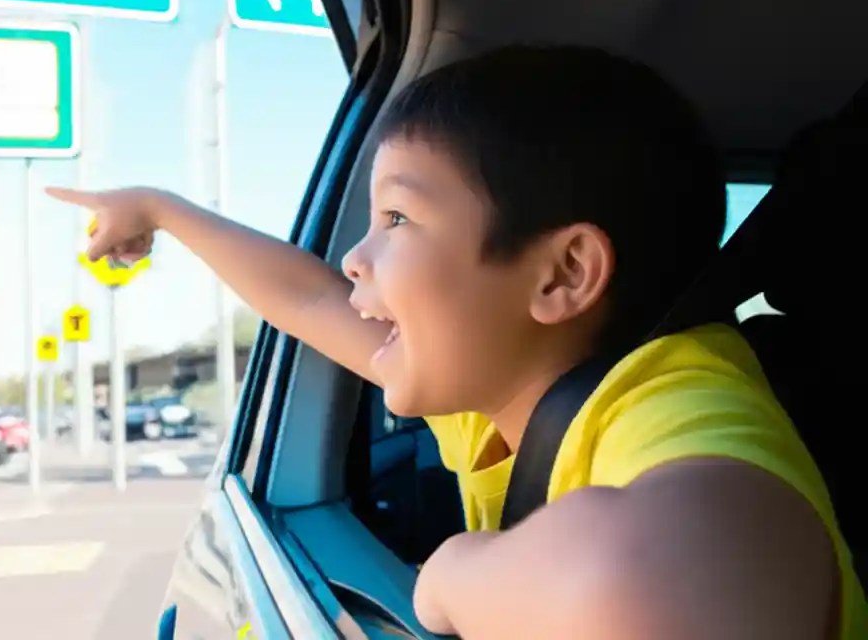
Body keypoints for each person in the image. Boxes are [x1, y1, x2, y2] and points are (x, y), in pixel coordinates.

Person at [47, 45, 864, 639]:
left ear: (563, 275)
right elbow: (306, 297)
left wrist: (451, 575)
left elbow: (658, 586)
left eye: (397, 219)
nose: (355, 259)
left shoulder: (671, 397)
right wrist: (161, 209)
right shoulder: (491, 406)